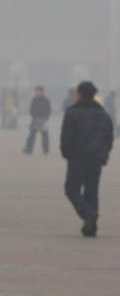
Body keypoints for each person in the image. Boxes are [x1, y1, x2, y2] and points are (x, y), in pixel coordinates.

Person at [59, 80, 114, 237]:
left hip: (77, 158)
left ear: (80, 94)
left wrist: (66, 153)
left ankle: (89, 215)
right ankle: (91, 226)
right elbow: (109, 138)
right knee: (92, 192)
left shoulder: (72, 113)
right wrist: (104, 154)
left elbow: (66, 138)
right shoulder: (104, 115)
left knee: (71, 189)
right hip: (96, 159)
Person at [23, 85, 52, 155]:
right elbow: (31, 109)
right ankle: (28, 149)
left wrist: (45, 117)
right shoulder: (34, 100)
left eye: (38, 91)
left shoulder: (46, 100)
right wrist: (33, 115)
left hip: (43, 120)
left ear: (42, 92)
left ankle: (46, 150)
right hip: (35, 119)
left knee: (45, 135)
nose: (37, 92)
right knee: (31, 135)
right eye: (36, 91)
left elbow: (49, 110)